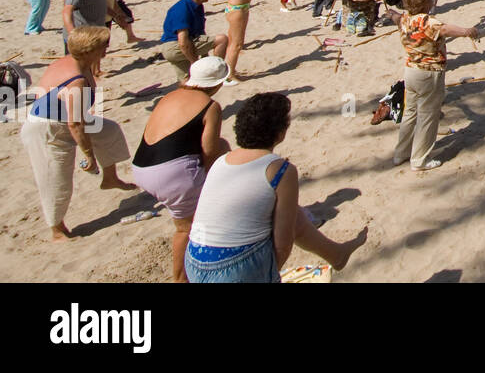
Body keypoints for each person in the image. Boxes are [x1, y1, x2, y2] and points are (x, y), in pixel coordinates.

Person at [185, 92, 367, 282]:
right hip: (234, 267)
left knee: (291, 214)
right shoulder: (281, 170)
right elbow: (283, 244)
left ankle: (336, 254)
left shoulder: (222, 160)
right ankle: (337, 255)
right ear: (280, 134)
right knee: (285, 217)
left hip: (194, 260)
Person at [21, 26, 135, 241]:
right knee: (57, 179)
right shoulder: (76, 79)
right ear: (88, 50)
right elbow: (75, 124)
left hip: (62, 119)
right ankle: (57, 229)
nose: (106, 51)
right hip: (47, 129)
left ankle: (110, 179)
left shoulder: (79, 63)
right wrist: (88, 154)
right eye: (103, 47)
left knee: (109, 131)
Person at [132, 56, 231, 281]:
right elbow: (209, 151)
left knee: (224, 147)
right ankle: (181, 278)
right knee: (186, 229)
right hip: (171, 173)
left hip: (141, 166)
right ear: (217, 84)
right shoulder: (210, 106)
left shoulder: (169, 96)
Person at [394, 0, 481, 171]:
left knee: (410, 112)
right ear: (425, 3)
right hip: (429, 72)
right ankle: (419, 159)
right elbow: (445, 29)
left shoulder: (405, 19)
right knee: (427, 115)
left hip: (411, 70)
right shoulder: (427, 22)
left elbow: (396, 18)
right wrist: (467, 31)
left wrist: (390, 15)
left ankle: (401, 152)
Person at [160, 0, 231, 82]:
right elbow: (183, 43)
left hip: (176, 47)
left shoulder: (197, 5)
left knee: (187, 81)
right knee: (222, 40)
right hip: (175, 47)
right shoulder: (182, 9)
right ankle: (218, 75)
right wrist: (196, 64)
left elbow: (200, 32)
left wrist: (204, 56)